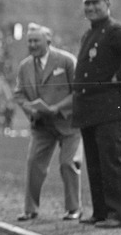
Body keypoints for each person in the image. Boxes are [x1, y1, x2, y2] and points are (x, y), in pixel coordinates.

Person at [71, 0, 121, 229]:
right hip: (91, 110)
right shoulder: (89, 33)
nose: (91, 7)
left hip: (111, 110)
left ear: (107, 4)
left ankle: (118, 214)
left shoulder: (114, 30)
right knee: (94, 162)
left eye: (96, 3)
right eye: (87, 4)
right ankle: (101, 212)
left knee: (111, 162)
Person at [12, 23, 82, 222]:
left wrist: (57, 107)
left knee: (68, 163)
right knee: (34, 163)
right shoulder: (25, 66)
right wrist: (30, 109)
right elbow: (19, 94)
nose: (32, 45)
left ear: (48, 41)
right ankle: (30, 209)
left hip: (69, 123)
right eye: (30, 41)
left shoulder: (67, 61)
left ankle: (74, 209)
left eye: (36, 41)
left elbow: (78, 92)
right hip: (41, 125)